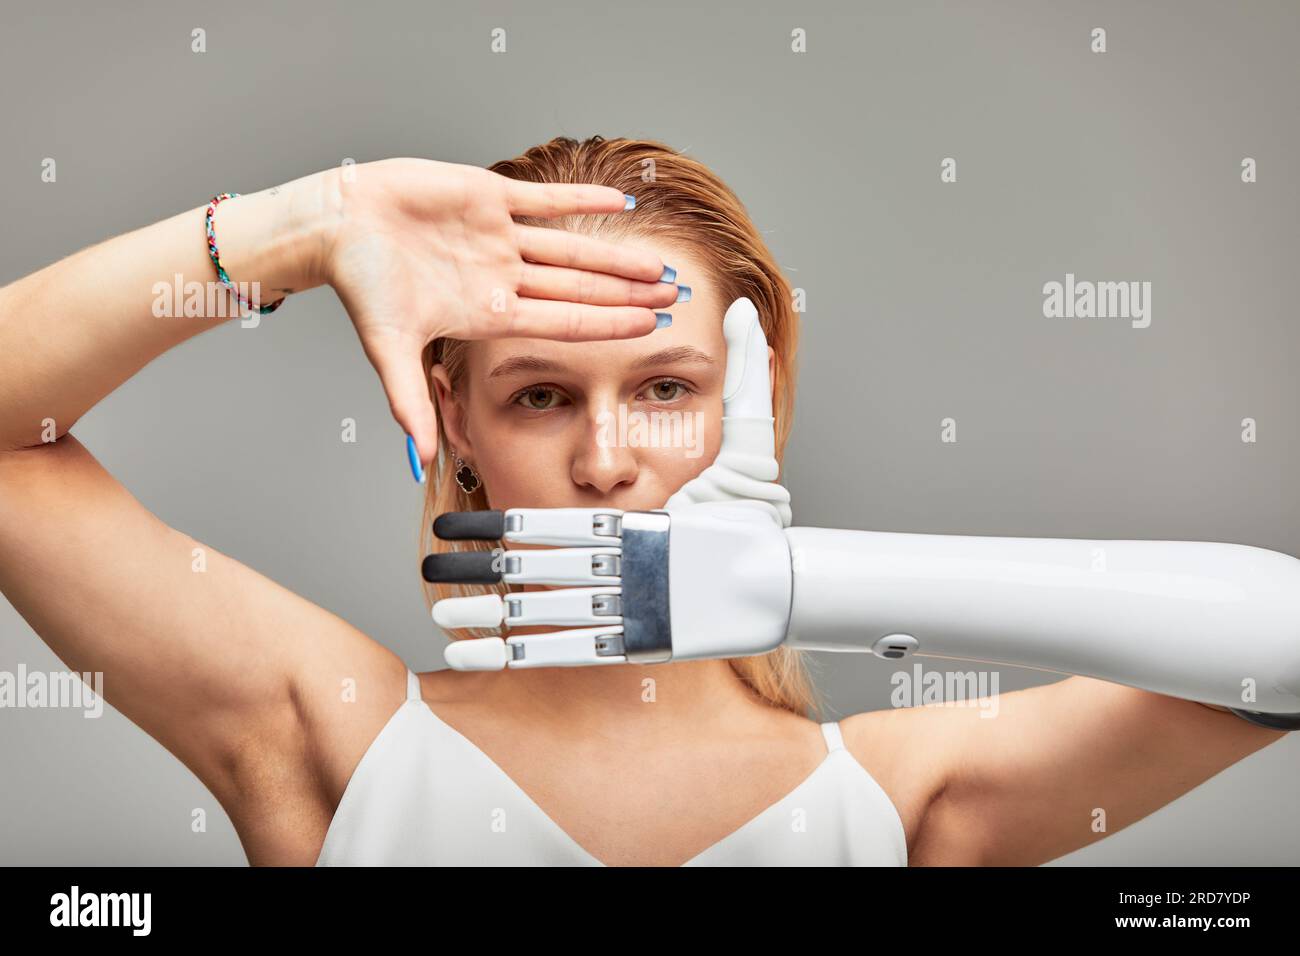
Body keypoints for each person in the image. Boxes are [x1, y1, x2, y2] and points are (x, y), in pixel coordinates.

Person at [0, 137, 1285, 867]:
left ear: (754, 402)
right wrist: (306, 223)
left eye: (666, 388)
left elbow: (1281, 651)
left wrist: (806, 585)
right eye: (541, 395)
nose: (607, 460)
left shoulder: (903, 800)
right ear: (455, 419)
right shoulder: (327, 737)